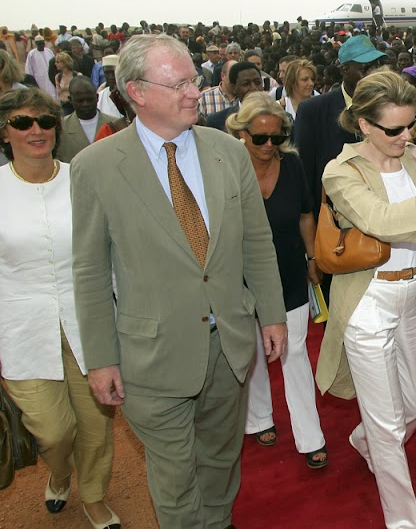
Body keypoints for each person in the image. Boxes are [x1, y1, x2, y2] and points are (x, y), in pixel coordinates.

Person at [71, 34, 287, 528]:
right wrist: (100, 357)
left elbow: (256, 241)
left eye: (194, 78)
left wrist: (271, 314)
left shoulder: (228, 153)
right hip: (151, 356)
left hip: (228, 344)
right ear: (136, 92)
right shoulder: (96, 167)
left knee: (219, 462)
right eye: (180, 83)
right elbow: (87, 270)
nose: (196, 91)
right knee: (174, 478)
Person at [0, 88, 119, 528]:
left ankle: (93, 496)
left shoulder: (82, 176)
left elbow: (109, 253)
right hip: (21, 327)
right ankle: (59, 469)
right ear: (3, 131)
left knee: (96, 423)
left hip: (89, 320)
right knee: (52, 429)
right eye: (24, 122)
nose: (37, 131)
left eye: (46, 121)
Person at [316, 70, 416, 529]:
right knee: (387, 427)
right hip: (369, 302)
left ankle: (366, 443)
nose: (406, 136)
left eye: (412, 125)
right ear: (363, 124)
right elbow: (383, 220)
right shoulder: (341, 172)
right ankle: (404, 522)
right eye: (394, 129)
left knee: (413, 408)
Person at [224, 93, 327, 469]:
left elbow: (305, 216)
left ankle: (310, 436)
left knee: (294, 351)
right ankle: (260, 418)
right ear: (242, 132)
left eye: (276, 138)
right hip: (238, 276)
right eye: (259, 138)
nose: (269, 146)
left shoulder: (294, 164)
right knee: (252, 351)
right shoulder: (226, 167)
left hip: (288, 271)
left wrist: (313, 257)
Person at [293, 34, 387, 214]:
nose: (372, 74)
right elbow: (304, 174)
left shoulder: (388, 106)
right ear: (344, 70)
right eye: (365, 68)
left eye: (376, 66)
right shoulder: (313, 111)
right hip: (334, 217)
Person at [56, 77, 111, 163]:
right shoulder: (61, 128)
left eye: (89, 100)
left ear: (97, 98)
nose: (85, 104)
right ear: (70, 100)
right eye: (80, 101)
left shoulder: (114, 124)